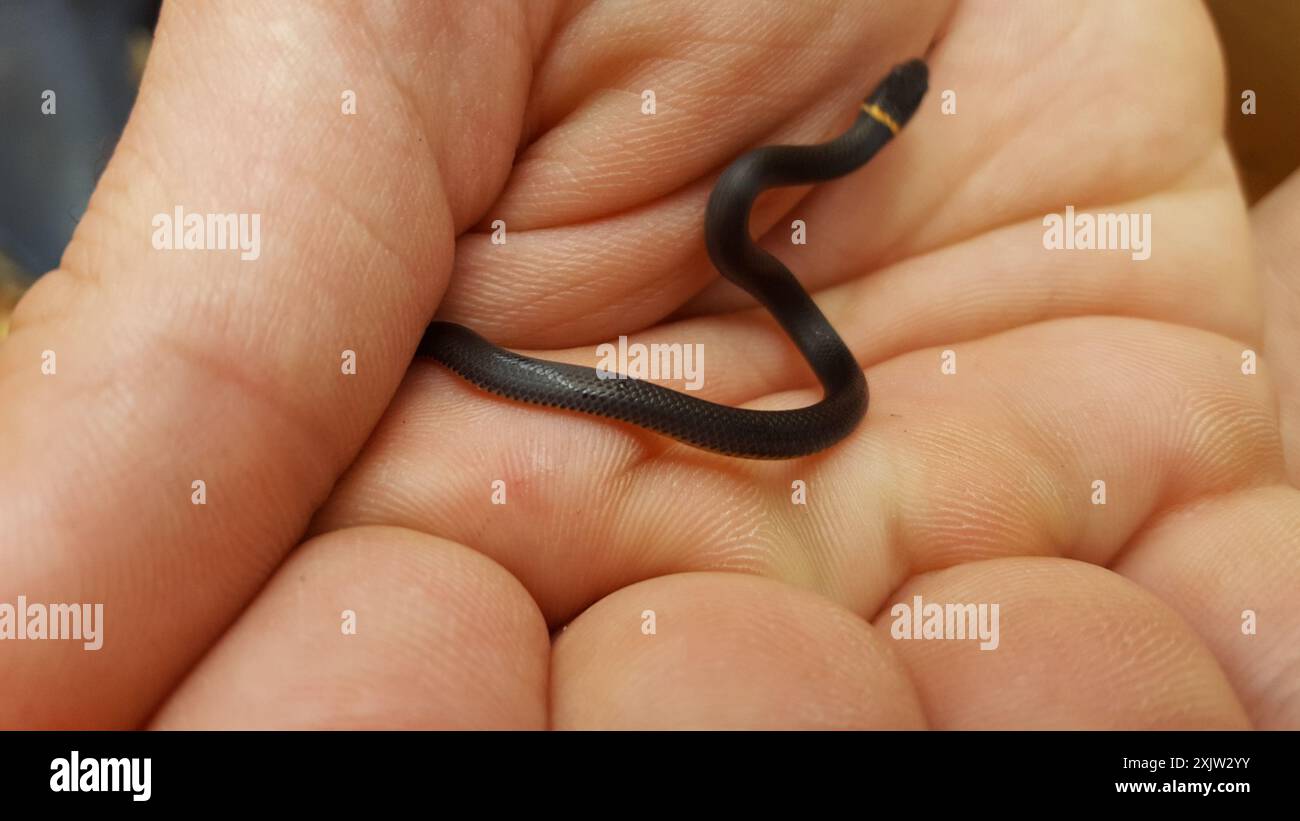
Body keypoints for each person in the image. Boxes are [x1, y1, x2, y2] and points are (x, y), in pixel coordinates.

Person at [1, 0, 1297, 729]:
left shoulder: (790, 244)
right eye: (895, 104)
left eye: (890, 101)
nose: (890, 106)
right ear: (884, 122)